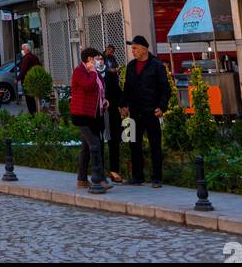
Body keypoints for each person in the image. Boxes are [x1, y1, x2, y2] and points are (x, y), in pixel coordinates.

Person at [121, 34, 171, 188]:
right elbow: (127, 87)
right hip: (135, 111)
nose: (133, 51)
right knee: (134, 144)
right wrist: (124, 105)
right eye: (132, 48)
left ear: (144, 49)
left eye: (135, 48)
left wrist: (162, 107)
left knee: (155, 145)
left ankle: (157, 178)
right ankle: (137, 176)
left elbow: (165, 88)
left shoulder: (157, 65)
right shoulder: (130, 66)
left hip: (151, 111)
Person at [70, 47, 112, 195]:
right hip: (82, 115)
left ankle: (81, 178)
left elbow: (99, 90)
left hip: (94, 116)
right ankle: (99, 179)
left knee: (86, 147)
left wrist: (104, 100)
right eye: (97, 58)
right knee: (94, 145)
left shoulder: (96, 73)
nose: (99, 60)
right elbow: (88, 86)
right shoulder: (79, 71)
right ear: (89, 59)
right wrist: (93, 72)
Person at [101, 52, 124, 183]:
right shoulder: (92, 75)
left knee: (114, 142)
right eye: (97, 59)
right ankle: (100, 172)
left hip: (112, 112)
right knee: (98, 143)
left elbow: (117, 92)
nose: (99, 62)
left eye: (101, 59)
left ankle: (114, 171)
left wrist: (122, 104)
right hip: (98, 114)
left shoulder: (110, 75)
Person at [18, 43, 42, 116]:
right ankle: (34, 113)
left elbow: (23, 70)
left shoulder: (26, 58)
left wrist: (17, 79)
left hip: (27, 81)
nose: (22, 50)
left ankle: (32, 114)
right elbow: (40, 66)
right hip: (33, 80)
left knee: (29, 99)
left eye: (23, 49)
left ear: (26, 49)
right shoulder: (34, 57)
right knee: (32, 98)